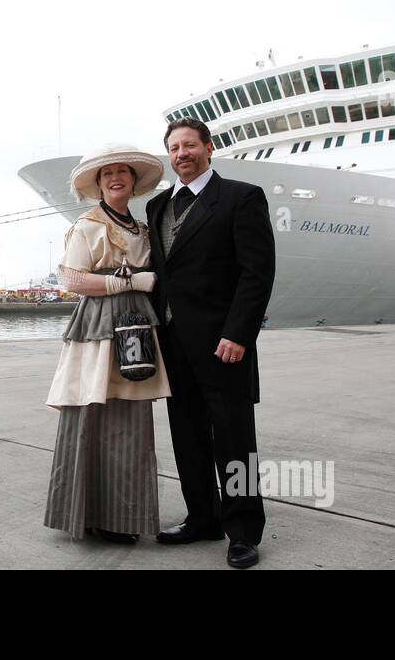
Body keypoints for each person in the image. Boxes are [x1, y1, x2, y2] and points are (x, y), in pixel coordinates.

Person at [145, 116, 276, 568]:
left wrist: (239, 333)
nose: (182, 154)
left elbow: (256, 273)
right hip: (173, 344)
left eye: (189, 145)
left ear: (208, 147)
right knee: (188, 435)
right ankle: (202, 517)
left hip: (224, 344)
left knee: (235, 439)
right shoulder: (157, 208)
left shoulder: (241, 198)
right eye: (174, 147)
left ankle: (242, 532)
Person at [44, 144, 171, 543]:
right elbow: (73, 280)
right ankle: (91, 514)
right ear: (98, 184)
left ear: (133, 181)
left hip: (136, 322)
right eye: (107, 174)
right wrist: (131, 281)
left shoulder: (142, 228)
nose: (116, 177)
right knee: (94, 409)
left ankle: (123, 516)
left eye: (123, 172)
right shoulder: (87, 225)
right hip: (99, 325)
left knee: (130, 418)